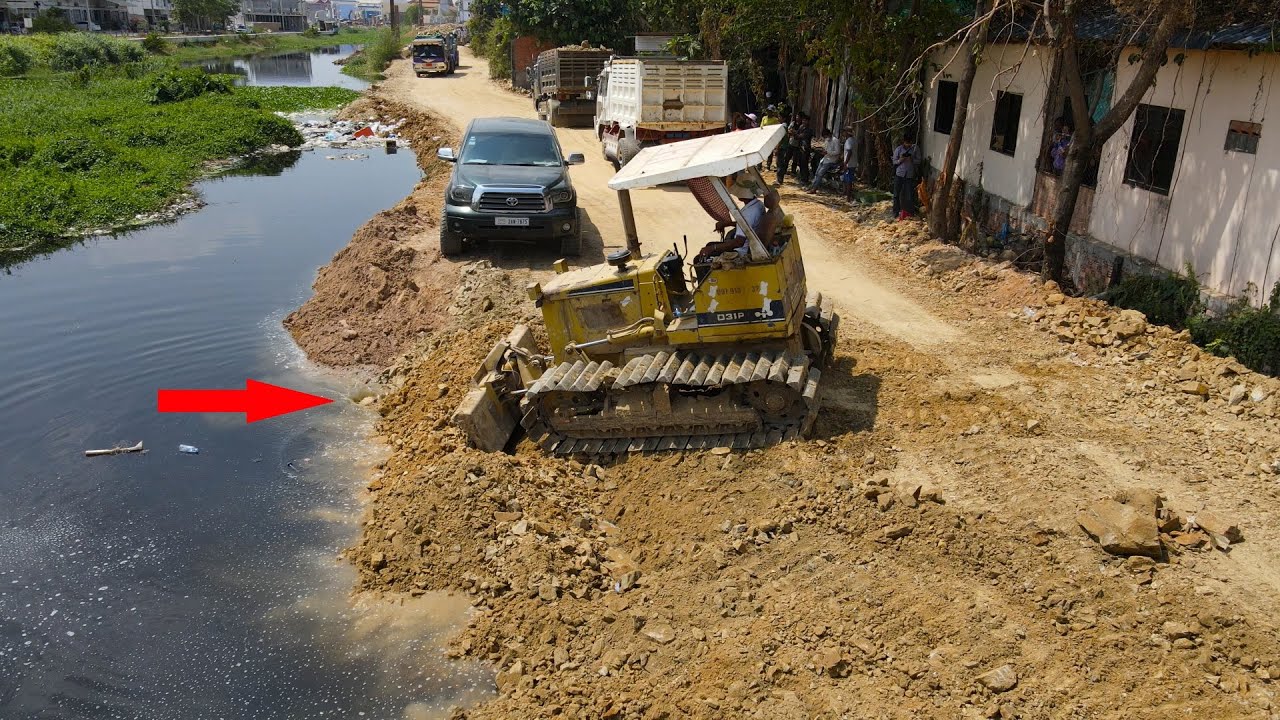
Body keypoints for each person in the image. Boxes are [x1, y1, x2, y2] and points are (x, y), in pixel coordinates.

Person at [696, 172, 781, 261]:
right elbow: (747, 225)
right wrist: (727, 223)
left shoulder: (748, 213)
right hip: (748, 245)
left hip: (741, 252)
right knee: (710, 244)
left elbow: (738, 242)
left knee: (699, 258)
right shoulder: (758, 205)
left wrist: (712, 248)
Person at [891, 135, 921, 219]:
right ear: (903, 142)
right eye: (907, 143)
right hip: (899, 174)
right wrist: (900, 160)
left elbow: (919, 161)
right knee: (896, 194)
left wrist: (912, 159)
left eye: (910, 143)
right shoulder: (899, 149)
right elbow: (894, 161)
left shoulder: (915, 149)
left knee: (909, 194)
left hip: (909, 174)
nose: (908, 145)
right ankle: (895, 212)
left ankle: (910, 212)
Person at [807, 129, 842, 193]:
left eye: (826, 136)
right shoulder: (827, 141)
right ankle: (812, 186)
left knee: (820, 174)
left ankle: (814, 189)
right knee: (817, 173)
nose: (825, 138)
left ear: (829, 134)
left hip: (831, 160)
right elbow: (825, 149)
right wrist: (822, 151)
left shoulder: (835, 141)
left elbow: (837, 152)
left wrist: (828, 152)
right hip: (825, 159)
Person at [793, 114, 814, 185]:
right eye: (803, 120)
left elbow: (801, 136)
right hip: (799, 148)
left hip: (805, 149)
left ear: (808, 121)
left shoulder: (809, 130)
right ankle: (802, 178)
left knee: (804, 164)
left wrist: (794, 133)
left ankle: (805, 179)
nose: (803, 122)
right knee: (800, 163)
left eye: (805, 120)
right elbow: (797, 137)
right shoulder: (801, 127)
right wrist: (795, 134)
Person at [841, 126, 859, 201]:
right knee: (848, 179)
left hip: (849, 164)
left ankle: (848, 197)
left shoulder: (848, 141)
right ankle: (846, 194)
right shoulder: (854, 140)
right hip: (853, 163)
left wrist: (845, 163)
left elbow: (849, 152)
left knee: (848, 181)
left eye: (844, 132)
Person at [775, 118, 795, 184]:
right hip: (784, 147)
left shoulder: (782, 127)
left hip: (781, 148)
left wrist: (777, 148)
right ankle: (780, 179)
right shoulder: (785, 127)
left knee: (779, 164)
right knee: (781, 164)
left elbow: (780, 139)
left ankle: (779, 180)